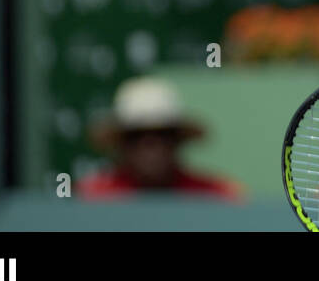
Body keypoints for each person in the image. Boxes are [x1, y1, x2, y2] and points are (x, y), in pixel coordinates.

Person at [77, 76, 243, 200]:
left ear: (178, 140)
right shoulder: (93, 198)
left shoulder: (212, 197)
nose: (150, 145)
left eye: (163, 134)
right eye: (136, 135)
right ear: (121, 143)